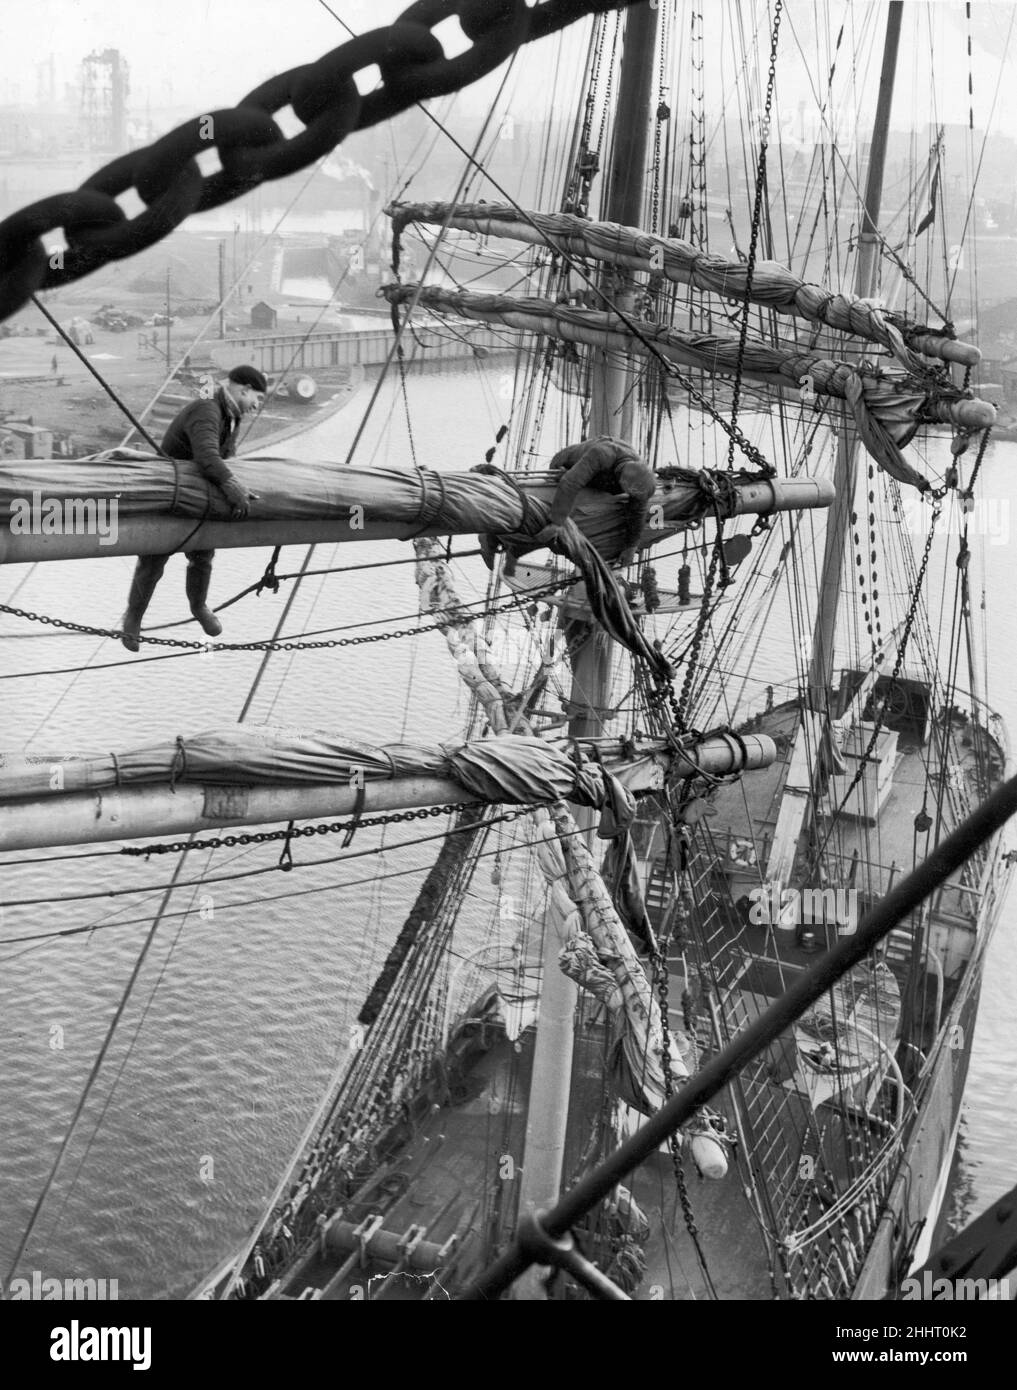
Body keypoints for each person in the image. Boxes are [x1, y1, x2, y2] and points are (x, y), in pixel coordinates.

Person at [119, 364, 267, 652]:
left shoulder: (231, 416)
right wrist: (232, 487)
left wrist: (237, 488)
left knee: (203, 556)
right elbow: (207, 455)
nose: (257, 406)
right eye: (256, 399)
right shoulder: (208, 409)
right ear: (243, 390)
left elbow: (227, 457)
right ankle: (132, 619)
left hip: (200, 494)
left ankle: (198, 606)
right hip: (169, 494)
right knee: (153, 562)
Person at [540, 435, 656, 567]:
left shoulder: (638, 477)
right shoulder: (603, 454)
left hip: (602, 476)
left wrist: (631, 547)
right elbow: (569, 483)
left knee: (631, 503)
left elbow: (638, 512)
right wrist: (556, 522)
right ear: (623, 483)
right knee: (573, 481)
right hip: (566, 463)